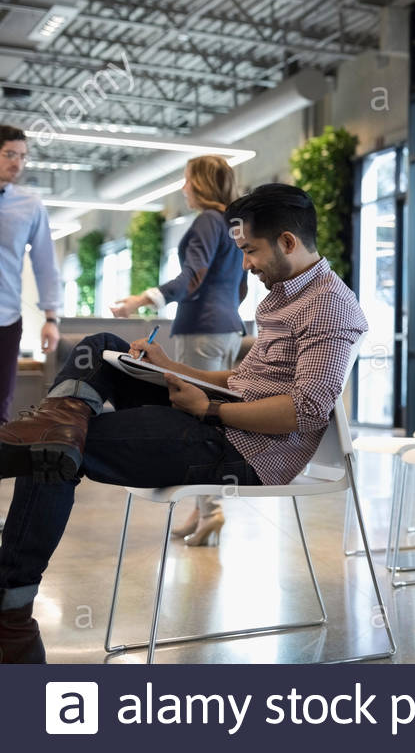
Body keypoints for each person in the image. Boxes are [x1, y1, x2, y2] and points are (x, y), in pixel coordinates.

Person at [0, 183, 367, 663]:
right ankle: (51, 433)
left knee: (61, 448)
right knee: (101, 349)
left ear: (288, 242)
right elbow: (242, 379)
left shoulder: (330, 306)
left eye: (250, 251)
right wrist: (171, 369)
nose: (246, 264)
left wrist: (208, 410)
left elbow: (306, 410)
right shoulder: (284, 296)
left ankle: (11, 613)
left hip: (243, 449)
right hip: (220, 421)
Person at [111, 155, 248, 547]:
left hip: (201, 328)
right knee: (214, 417)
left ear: (201, 183)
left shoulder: (207, 220)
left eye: (187, 180)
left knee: (196, 417)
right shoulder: (234, 224)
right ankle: (201, 506)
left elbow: (193, 276)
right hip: (228, 328)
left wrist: (141, 299)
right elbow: (240, 285)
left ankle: (211, 511)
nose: (183, 188)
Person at [0, 126, 60, 424]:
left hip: (7, 318)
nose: (17, 163)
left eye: (22, 156)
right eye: (9, 154)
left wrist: (51, 318)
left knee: (1, 404)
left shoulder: (30, 205)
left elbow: (45, 263)